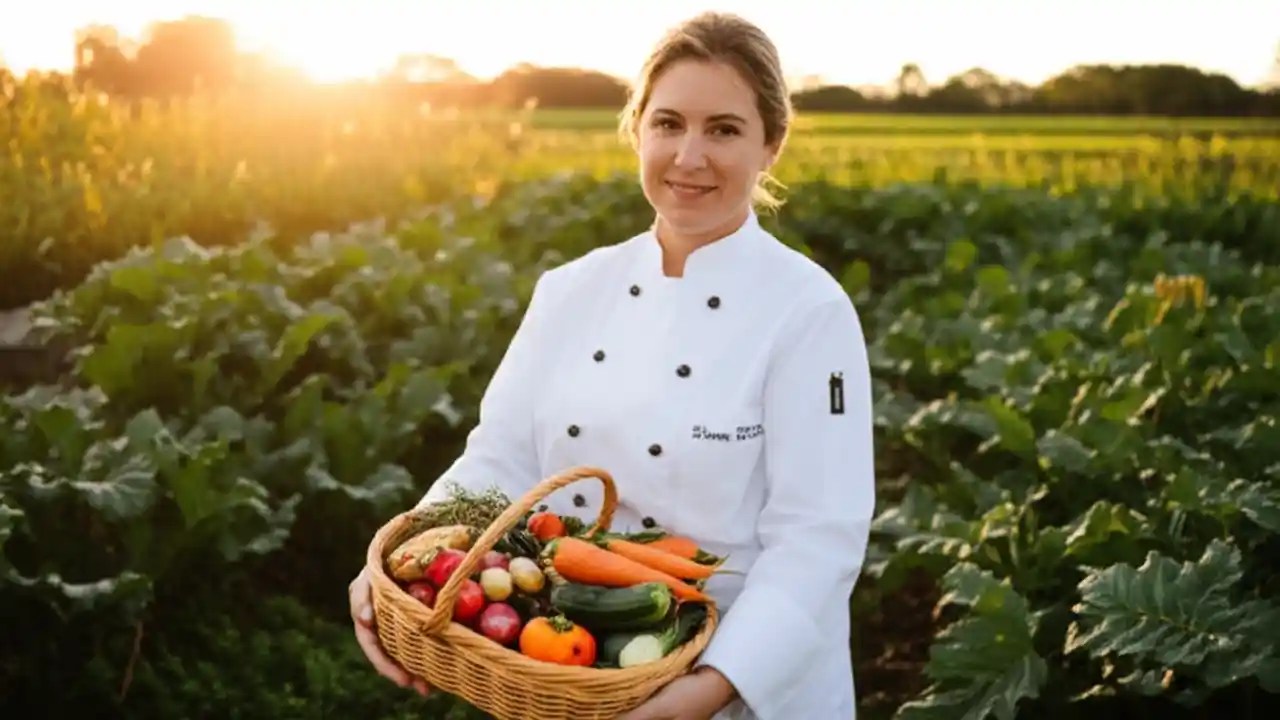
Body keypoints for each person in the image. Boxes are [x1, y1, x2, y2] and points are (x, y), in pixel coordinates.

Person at [349, 11, 875, 720]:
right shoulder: (570, 290)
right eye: (668, 124)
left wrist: (707, 689)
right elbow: (498, 462)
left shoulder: (809, 311)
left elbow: (817, 540)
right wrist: (398, 563)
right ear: (637, 130)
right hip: (568, 663)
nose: (689, 156)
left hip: (741, 682)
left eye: (723, 129)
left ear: (771, 145)